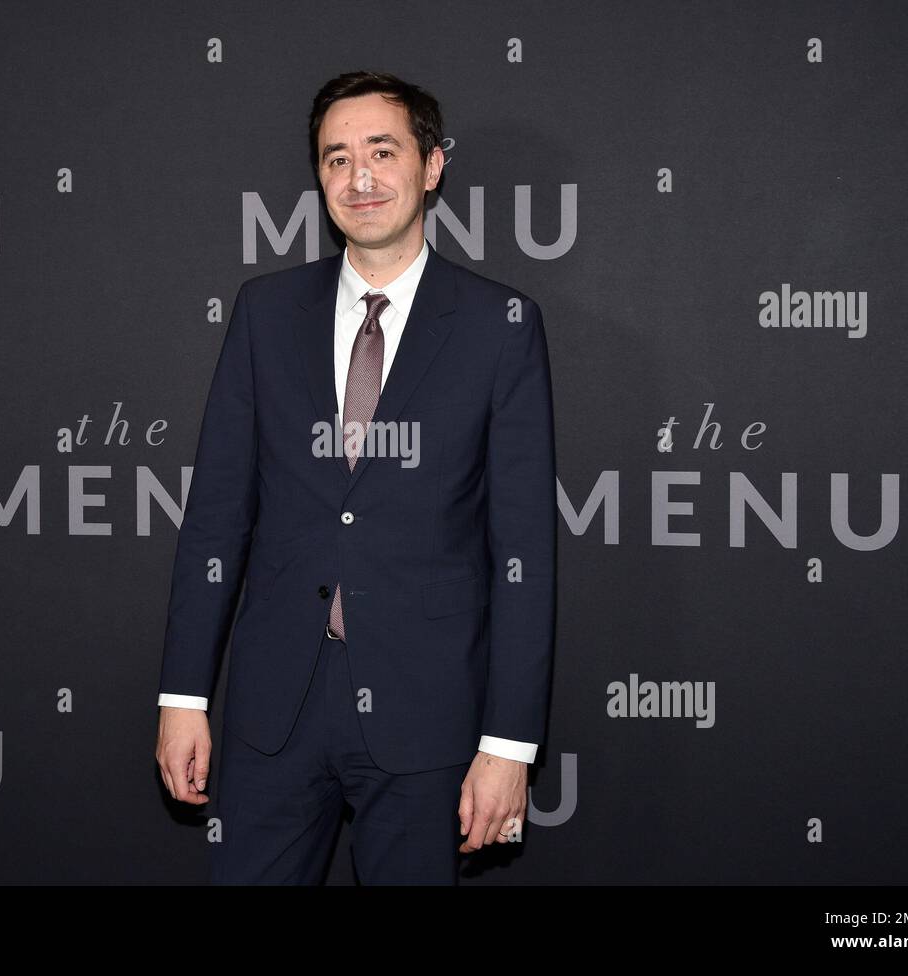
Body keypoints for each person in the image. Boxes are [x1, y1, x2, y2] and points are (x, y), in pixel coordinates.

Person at [154, 70, 557, 884]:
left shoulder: (499, 327)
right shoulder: (265, 313)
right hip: (275, 710)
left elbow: (524, 550)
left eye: (382, 150)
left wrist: (508, 745)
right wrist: (183, 698)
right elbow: (216, 516)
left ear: (432, 164)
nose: (360, 177)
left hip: (427, 713)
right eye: (336, 159)